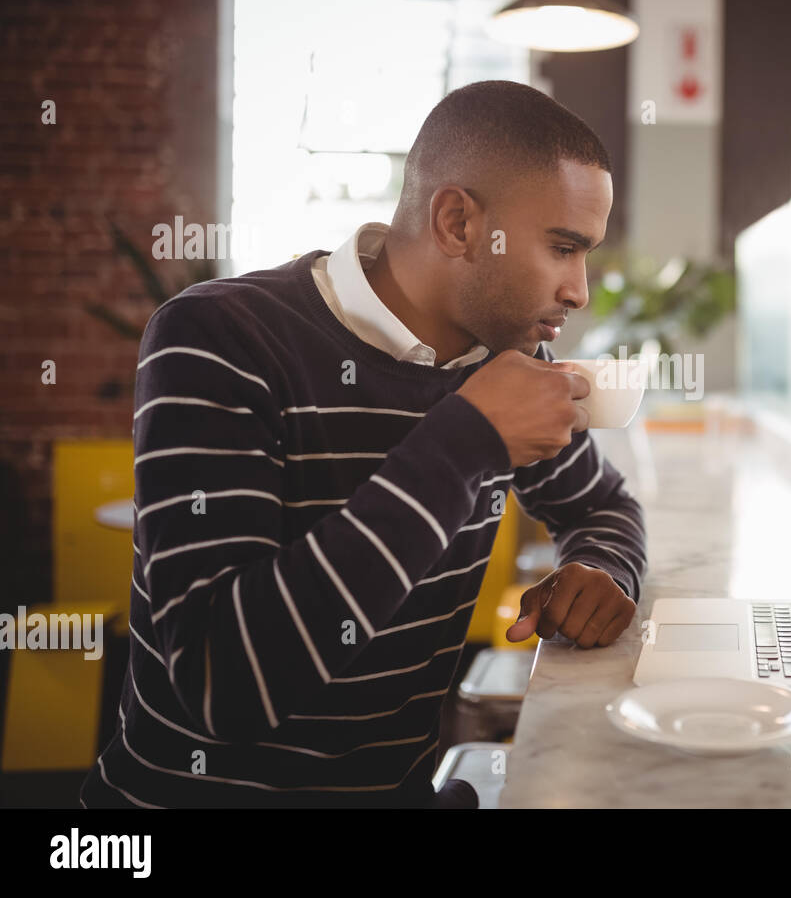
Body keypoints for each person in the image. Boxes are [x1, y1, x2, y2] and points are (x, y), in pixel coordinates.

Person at [79, 80, 647, 808]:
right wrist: (467, 439)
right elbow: (222, 686)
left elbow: (603, 506)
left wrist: (602, 569)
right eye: (564, 248)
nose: (581, 291)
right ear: (458, 223)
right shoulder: (219, 338)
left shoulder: (505, 365)